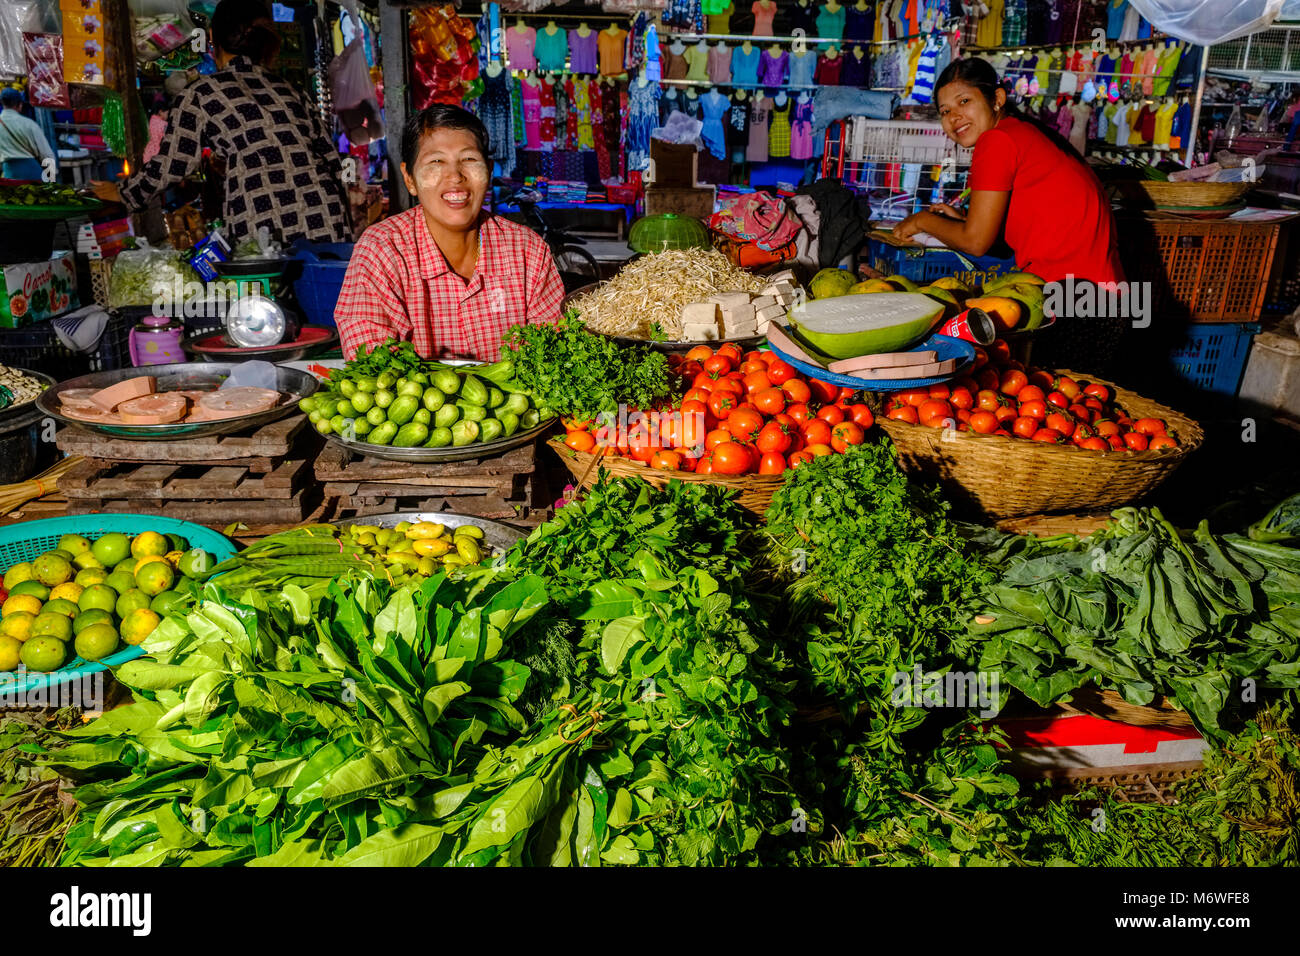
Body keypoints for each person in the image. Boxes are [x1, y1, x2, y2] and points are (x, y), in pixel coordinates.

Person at [893, 58, 1125, 372]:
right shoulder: (1020, 134)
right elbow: (1003, 238)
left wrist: (920, 220)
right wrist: (960, 220)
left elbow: (976, 243)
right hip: (1099, 299)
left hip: (1073, 301)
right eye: (945, 111)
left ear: (997, 99)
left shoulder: (997, 141)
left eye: (964, 101)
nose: (954, 117)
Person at [91, 0, 350, 245]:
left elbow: (172, 165)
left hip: (264, 224)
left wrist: (124, 193)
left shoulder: (201, 94)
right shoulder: (291, 90)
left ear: (212, 39)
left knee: (262, 293)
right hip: (327, 217)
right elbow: (331, 161)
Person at [333, 104, 564, 363]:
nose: (455, 176)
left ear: (487, 169)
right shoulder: (382, 249)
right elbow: (370, 362)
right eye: (436, 161)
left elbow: (553, 353)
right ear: (409, 178)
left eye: (468, 159)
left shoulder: (527, 250)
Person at [0, 88, 56, 181]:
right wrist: (51, 179)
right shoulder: (29, 124)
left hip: (9, 175)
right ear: (20, 105)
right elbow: (46, 154)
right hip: (32, 174)